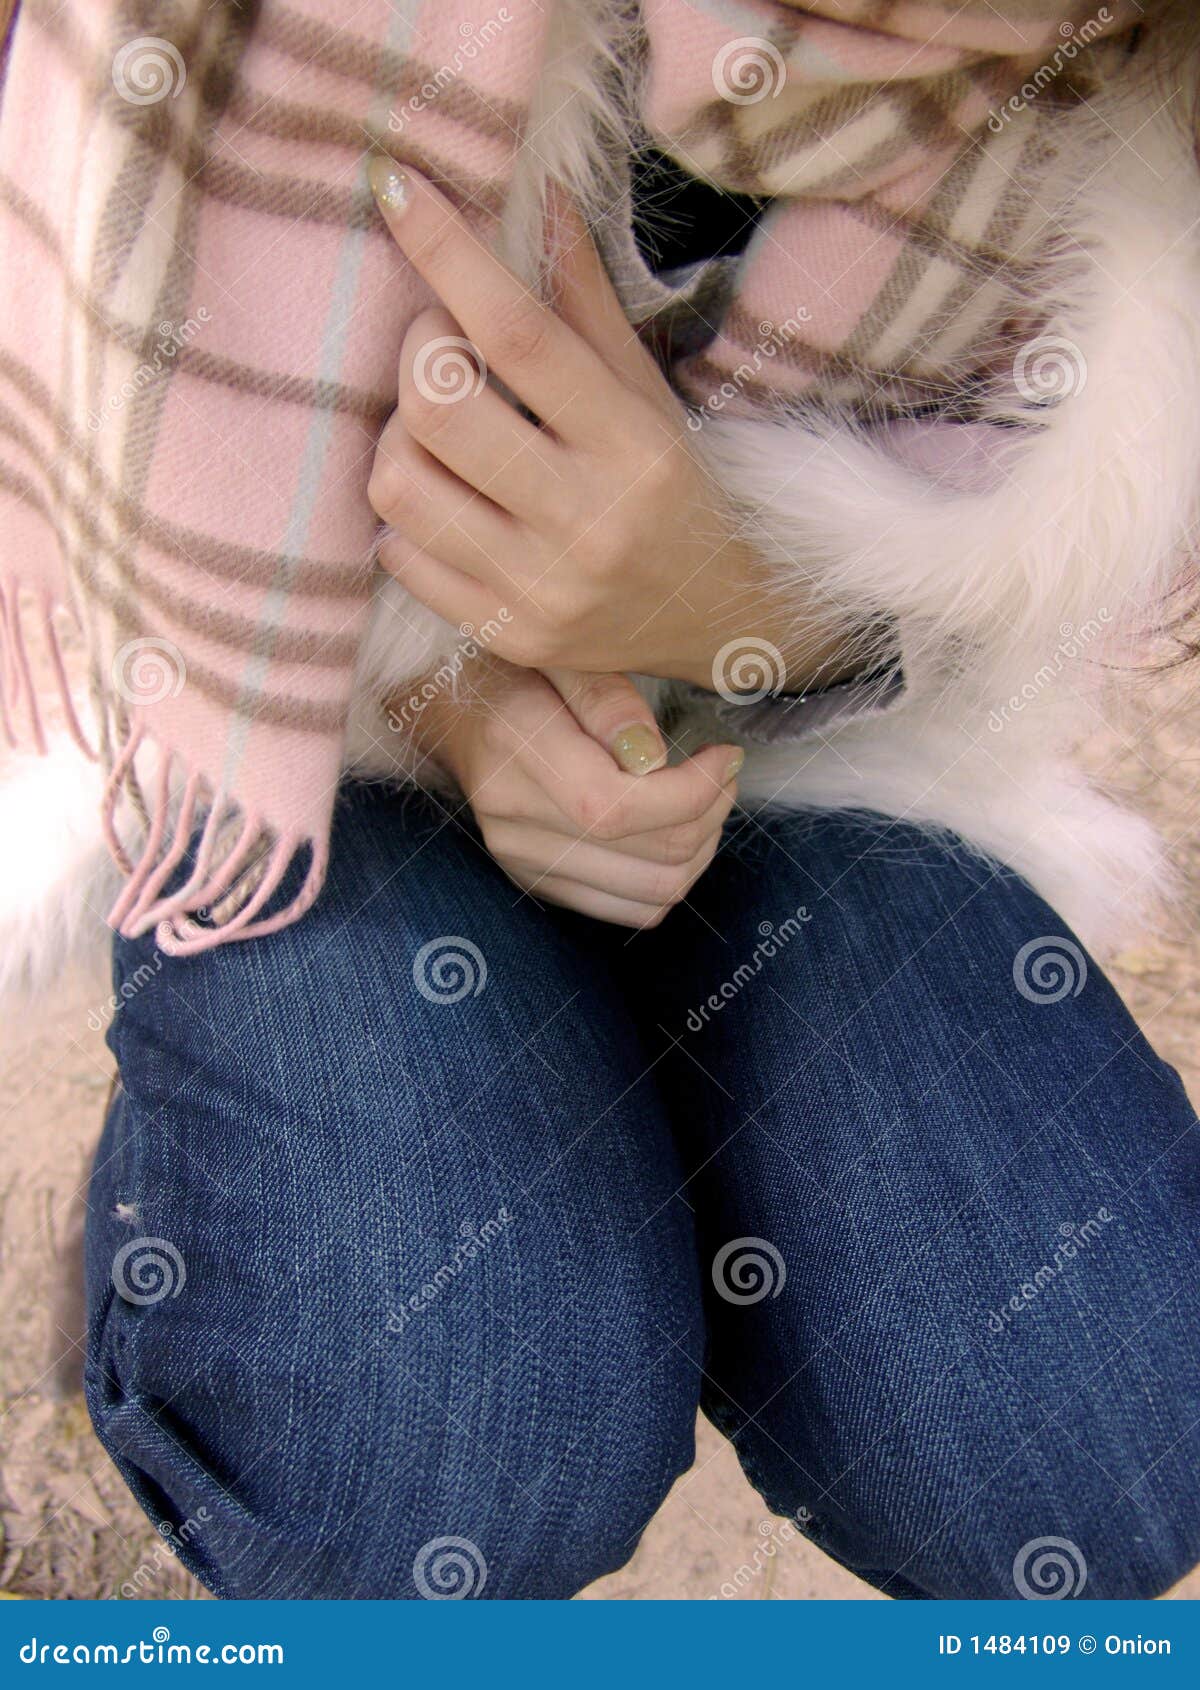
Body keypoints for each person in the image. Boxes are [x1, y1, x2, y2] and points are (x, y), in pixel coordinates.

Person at [83, 129, 1200, 1601]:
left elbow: (1099, 496)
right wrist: (447, 692)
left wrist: (746, 612)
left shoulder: (1111, 77)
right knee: (439, 1440)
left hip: (815, 740)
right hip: (306, 709)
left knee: (1105, 1430)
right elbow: (62, 382)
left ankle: (550, 1095)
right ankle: (241, 1175)